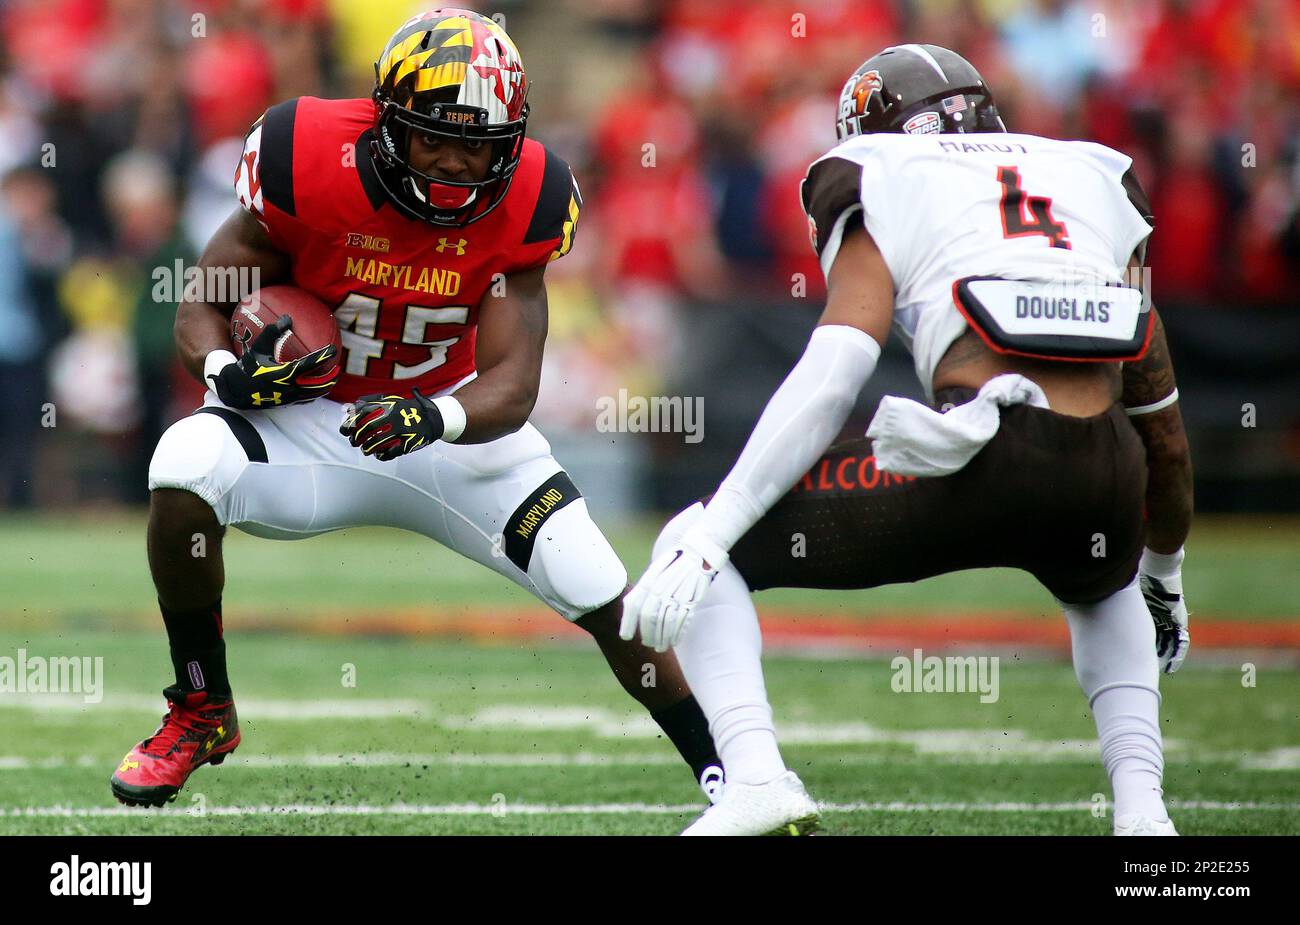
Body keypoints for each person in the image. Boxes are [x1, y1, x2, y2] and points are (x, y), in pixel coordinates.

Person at [111, 9, 721, 808]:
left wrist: (433, 418)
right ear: (385, 122)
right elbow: (204, 302)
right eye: (435, 138)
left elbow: (513, 383)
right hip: (311, 421)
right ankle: (200, 707)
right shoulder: (306, 159)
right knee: (183, 463)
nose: (456, 165)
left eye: (479, 145)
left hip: (449, 424)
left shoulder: (532, 197)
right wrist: (229, 373)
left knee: (601, 586)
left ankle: (733, 774)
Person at [622, 44, 1193, 837]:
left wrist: (717, 529)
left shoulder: (880, 171)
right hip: (1104, 470)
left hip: (984, 453)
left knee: (696, 539)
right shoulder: (1093, 173)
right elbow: (1160, 428)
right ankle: (1143, 811)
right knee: (1106, 584)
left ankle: (755, 778)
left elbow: (835, 369)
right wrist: (1163, 570)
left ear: (874, 131)